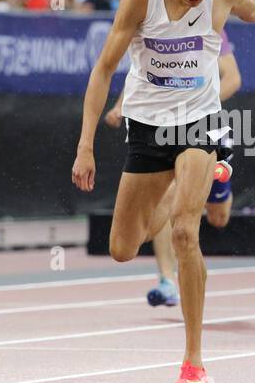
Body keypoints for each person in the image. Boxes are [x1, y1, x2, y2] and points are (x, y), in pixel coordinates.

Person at [72, 0, 255, 383]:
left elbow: (253, 9)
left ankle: (193, 360)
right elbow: (104, 69)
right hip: (146, 125)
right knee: (124, 247)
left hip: (199, 121)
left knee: (186, 232)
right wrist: (85, 146)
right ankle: (179, 185)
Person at [103, 28, 243, 307]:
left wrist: (199, 102)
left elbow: (233, 79)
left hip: (202, 123)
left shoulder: (210, 24)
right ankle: (168, 279)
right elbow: (139, 74)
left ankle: (218, 182)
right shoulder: (152, 25)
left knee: (218, 218)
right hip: (161, 126)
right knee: (169, 196)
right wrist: (120, 106)